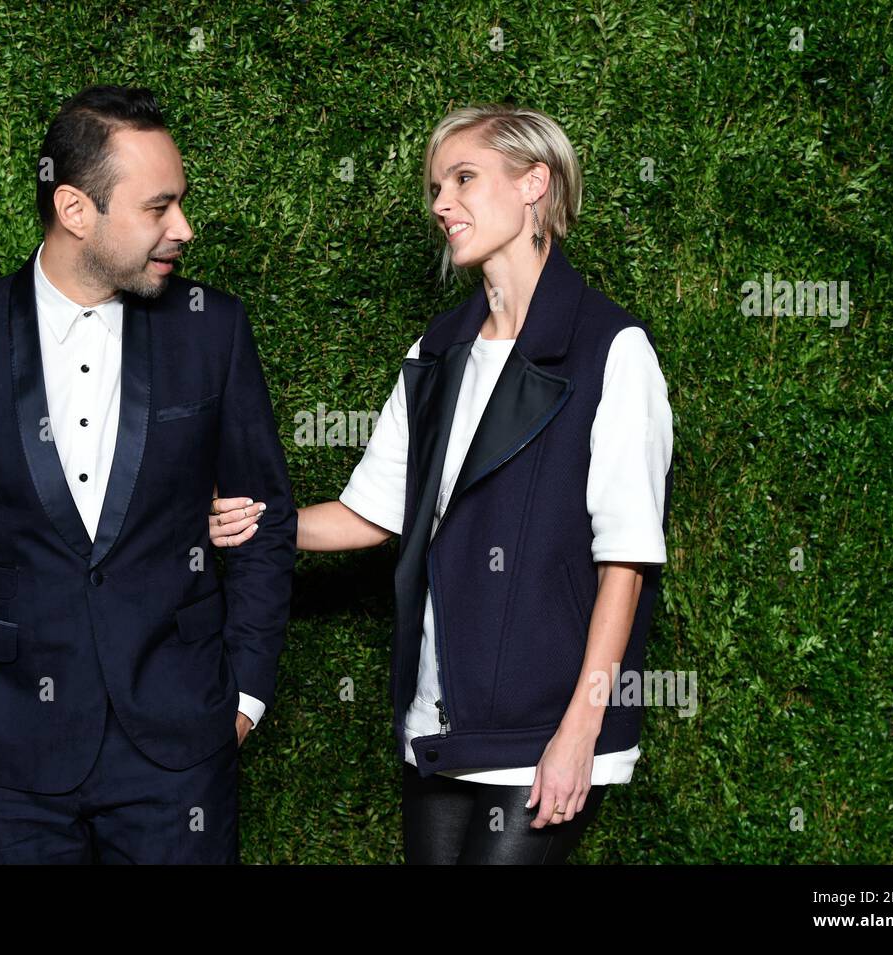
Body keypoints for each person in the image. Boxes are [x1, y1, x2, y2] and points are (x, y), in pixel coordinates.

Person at [210, 103, 673, 864]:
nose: (440, 203)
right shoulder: (438, 348)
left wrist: (580, 731)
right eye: (435, 186)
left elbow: (625, 559)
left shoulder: (612, 349)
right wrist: (249, 519)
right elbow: (370, 516)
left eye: (463, 178)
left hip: (544, 728)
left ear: (534, 183)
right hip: (437, 719)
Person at [0, 85, 296, 863]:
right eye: (158, 207)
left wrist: (241, 697)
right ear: (76, 210)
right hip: (9, 758)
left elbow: (262, 518)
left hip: (179, 749)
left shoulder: (215, 330)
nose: (184, 229)